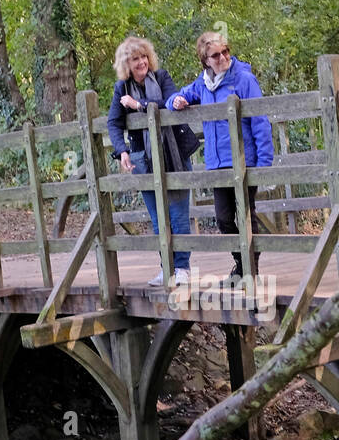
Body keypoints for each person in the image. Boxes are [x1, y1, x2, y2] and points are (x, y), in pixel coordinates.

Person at [167, 32, 273, 277]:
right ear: (205, 60)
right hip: (217, 164)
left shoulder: (244, 79)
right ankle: (241, 261)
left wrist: (264, 163)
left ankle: (250, 269)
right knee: (223, 219)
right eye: (216, 55)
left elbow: (260, 121)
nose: (223, 57)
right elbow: (175, 97)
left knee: (246, 214)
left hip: (244, 160)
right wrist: (176, 101)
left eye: (225, 51)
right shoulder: (203, 83)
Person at [106, 36, 199, 286]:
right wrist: (122, 151)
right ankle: (167, 268)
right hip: (143, 159)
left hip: (173, 153)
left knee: (178, 214)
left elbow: (169, 102)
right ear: (127, 63)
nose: (142, 62)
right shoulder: (121, 89)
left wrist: (139, 105)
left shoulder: (162, 78)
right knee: (158, 218)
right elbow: (113, 123)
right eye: (136, 58)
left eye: (144, 56)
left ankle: (182, 268)